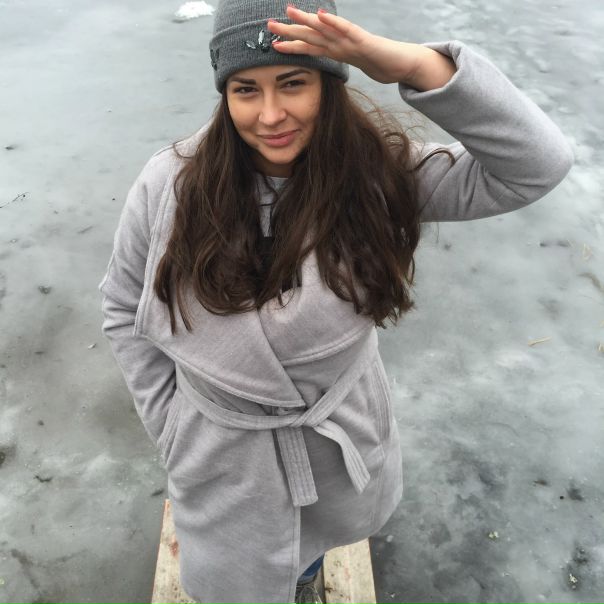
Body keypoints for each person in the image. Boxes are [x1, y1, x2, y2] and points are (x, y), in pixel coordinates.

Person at [97, 0, 573, 603]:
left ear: (329, 80)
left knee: (310, 549)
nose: (271, 115)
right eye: (246, 89)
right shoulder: (171, 182)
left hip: (333, 445)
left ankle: (303, 580)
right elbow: (123, 307)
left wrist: (412, 64)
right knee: (234, 576)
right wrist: (170, 426)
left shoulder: (379, 176)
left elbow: (535, 166)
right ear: (225, 94)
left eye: (293, 83)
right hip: (219, 451)